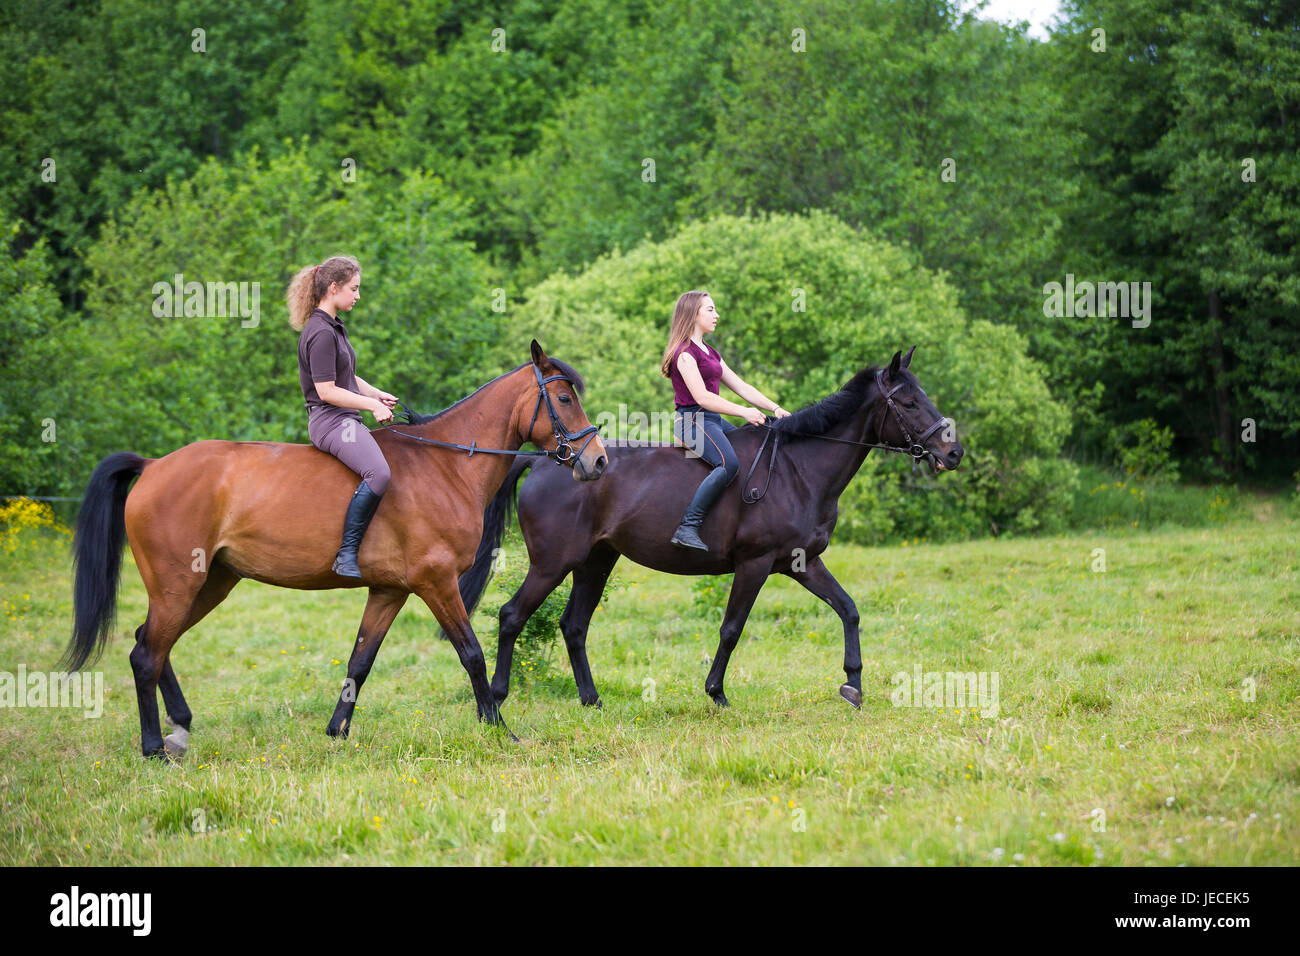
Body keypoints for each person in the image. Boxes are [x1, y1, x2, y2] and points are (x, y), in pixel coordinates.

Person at [286, 256, 399, 577]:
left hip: (344, 419)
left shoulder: (333, 327)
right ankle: (347, 553)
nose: (358, 296)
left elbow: (346, 376)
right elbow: (326, 390)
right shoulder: (320, 332)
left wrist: (375, 393)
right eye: (354, 289)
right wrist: (371, 407)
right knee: (379, 474)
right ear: (333, 288)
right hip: (330, 421)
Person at [661, 290, 790, 551]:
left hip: (711, 421)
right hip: (692, 422)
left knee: (751, 447)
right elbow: (703, 398)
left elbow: (742, 386)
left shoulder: (710, 352)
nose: (716, 314)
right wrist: (744, 412)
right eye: (710, 309)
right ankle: (688, 526)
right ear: (692, 314)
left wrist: (774, 408)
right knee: (728, 463)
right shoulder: (684, 354)